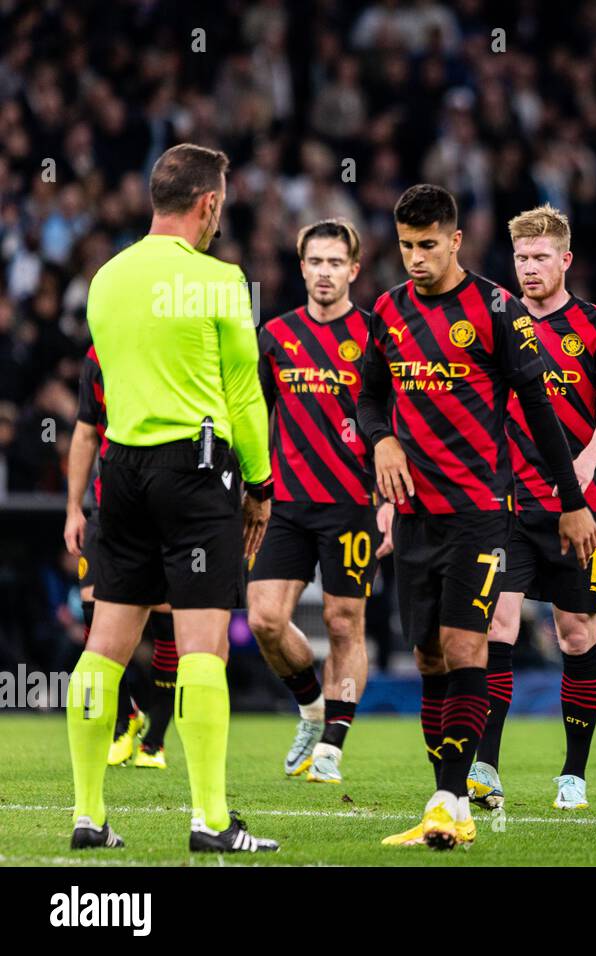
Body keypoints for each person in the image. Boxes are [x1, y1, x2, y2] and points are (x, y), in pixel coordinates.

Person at [358, 185, 596, 850]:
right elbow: (369, 396)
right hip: (414, 517)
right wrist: (380, 438)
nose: (415, 258)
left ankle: (445, 798)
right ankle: (455, 804)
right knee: (429, 658)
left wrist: (572, 502)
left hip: (480, 513)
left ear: (456, 241)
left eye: (428, 245)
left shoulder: (497, 309)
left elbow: (541, 412)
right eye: (406, 245)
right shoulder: (388, 311)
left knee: (468, 647)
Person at [69, 143, 278, 853]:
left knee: (102, 649)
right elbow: (245, 395)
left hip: (121, 471)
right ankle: (210, 820)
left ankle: (89, 817)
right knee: (201, 648)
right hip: (193, 471)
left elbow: (101, 394)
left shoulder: (105, 278)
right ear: (208, 203)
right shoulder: (220, 281)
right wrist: (261, 482)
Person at [466, 205, 596, 812]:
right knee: (497, 626)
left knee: (575, 633)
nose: (529, 268)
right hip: (505, 506)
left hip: (578, 510)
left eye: (540, 257)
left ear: (565, 260)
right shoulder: (493, 322)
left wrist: (585, 465)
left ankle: (574, 774)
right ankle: (485, 767)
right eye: (521, 257)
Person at [247, 218, 393, 784]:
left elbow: (395, 424)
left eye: (336, 263)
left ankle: (332, 743)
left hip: (351, 502)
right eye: (315, 262)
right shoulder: (276, 336)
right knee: (263, 619)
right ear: (301, 266)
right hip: (284, 503)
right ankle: (310, 706)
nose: (325, 272)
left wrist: (390, 502)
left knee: (342, 623)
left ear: (354, 270)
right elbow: (253, 416)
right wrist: (248, 491)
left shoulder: (376, 337)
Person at [64, 345, 177, 770]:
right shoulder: (98, 355)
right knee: (95, 611)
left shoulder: (173, 346)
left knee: (166, 616)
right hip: (108, 506)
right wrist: (74, 507)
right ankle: (125, 715)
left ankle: (156, 740)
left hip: (166, 503)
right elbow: (85, 430)